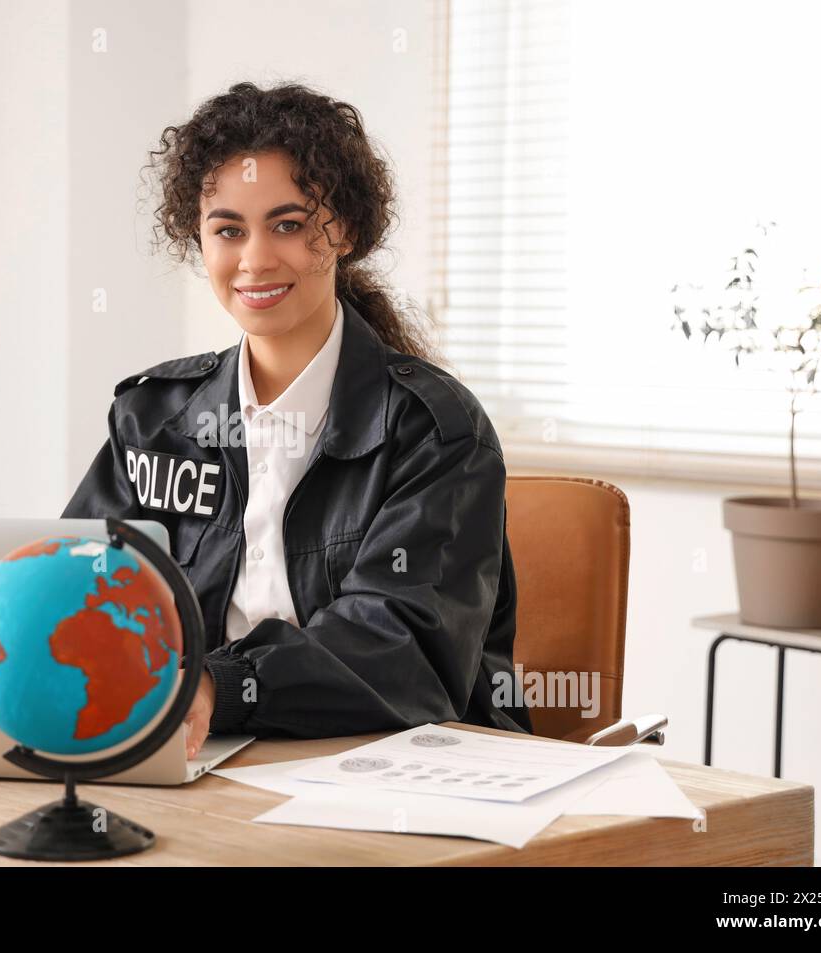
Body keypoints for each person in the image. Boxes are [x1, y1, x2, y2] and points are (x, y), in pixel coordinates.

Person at [63, 81, 531, 758]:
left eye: (288, 224)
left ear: (341, 230)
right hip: (207, 758)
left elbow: (400, 645)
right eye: (228, 229)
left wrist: (218, 685)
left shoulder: (435, 429)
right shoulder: (152, 418)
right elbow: (77, 587)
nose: (254, 260)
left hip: (402, 770)